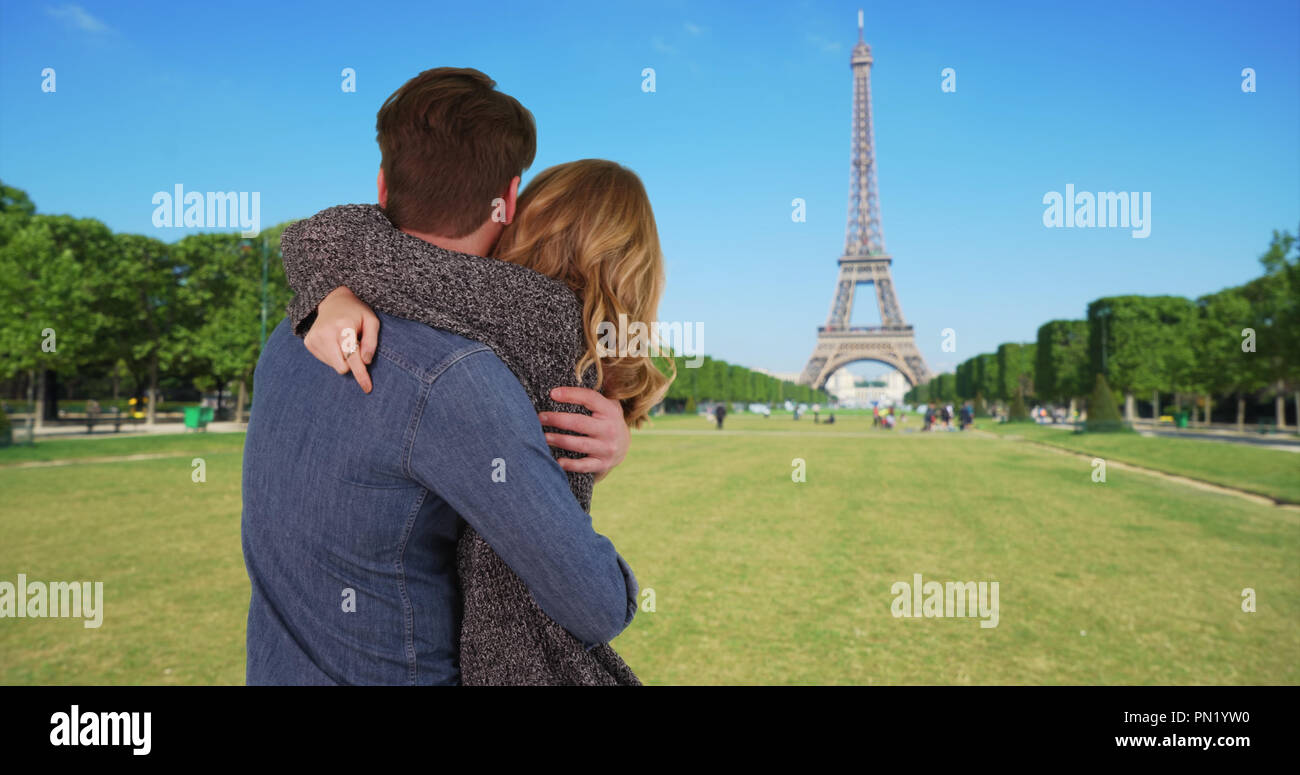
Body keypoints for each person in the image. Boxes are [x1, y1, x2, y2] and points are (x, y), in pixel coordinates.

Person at [244, 68, 665, 686]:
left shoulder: (295, 328)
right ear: (510, 198)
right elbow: (593, 603)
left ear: (384, 182)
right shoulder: (461, 378)